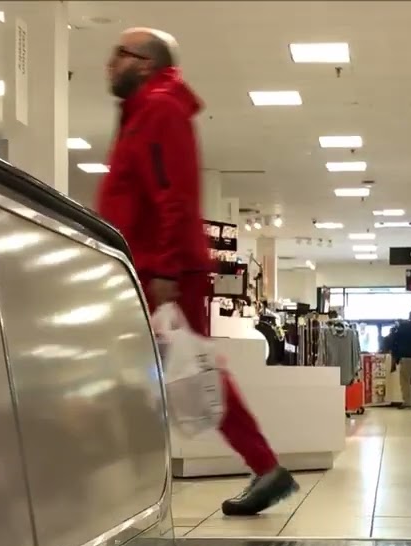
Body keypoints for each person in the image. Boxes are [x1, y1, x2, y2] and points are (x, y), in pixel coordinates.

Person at [96, 27, 297, 516]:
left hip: (164, 271)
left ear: (144, 63)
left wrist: (164, 268)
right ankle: (254, 468)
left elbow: (174, 194)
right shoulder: (142, 111)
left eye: (118, 55)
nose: (109, 64)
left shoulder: (160, 109)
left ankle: (262, 467)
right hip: (147, 267)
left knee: (189, 370)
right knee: (173, 371)